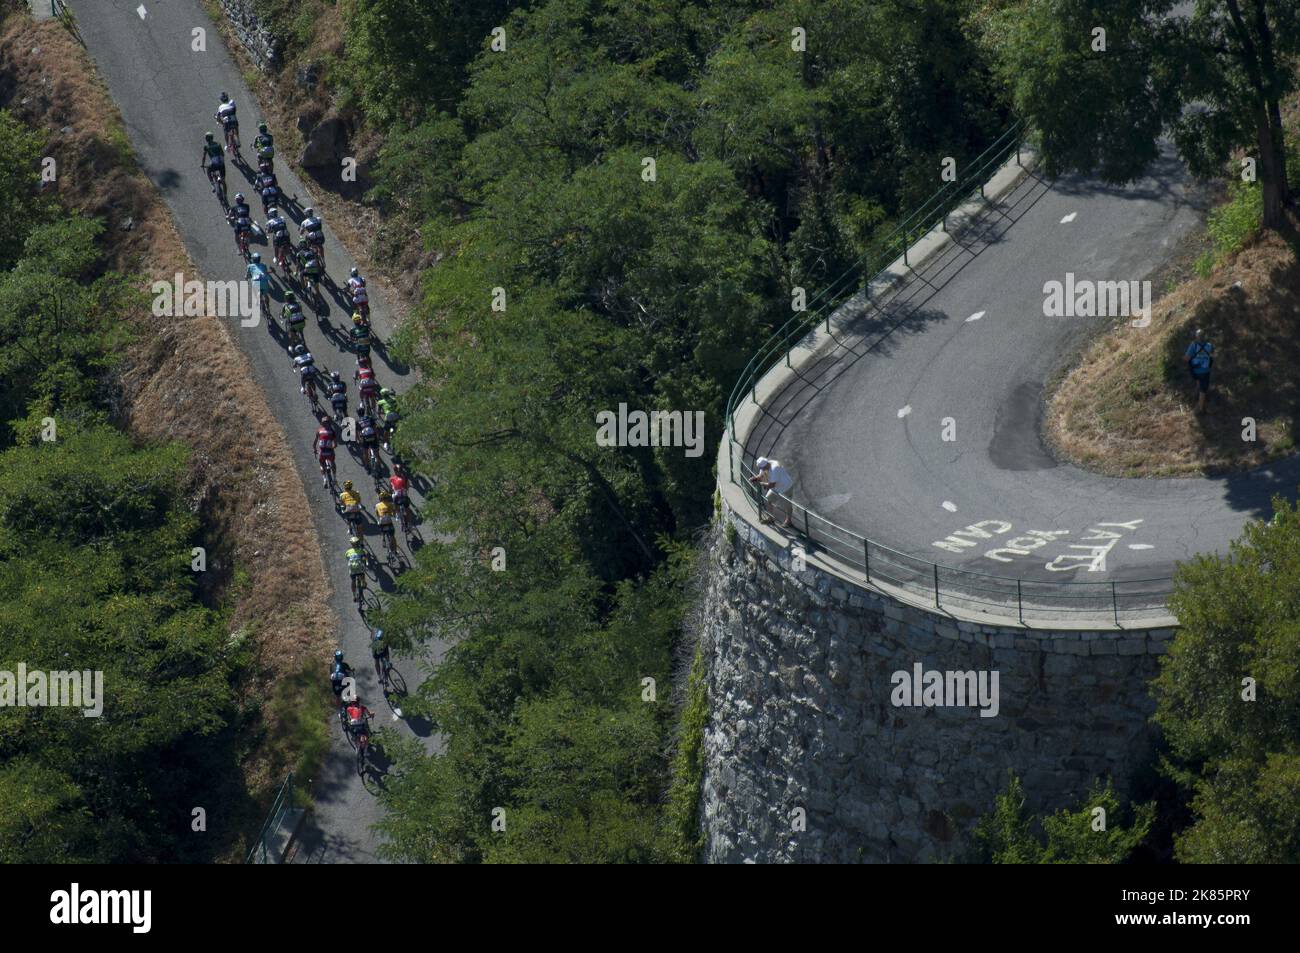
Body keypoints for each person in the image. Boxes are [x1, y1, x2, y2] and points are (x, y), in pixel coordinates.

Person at [749, 456, 794, 527]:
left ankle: (788, 521)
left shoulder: (775, 468)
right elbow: (760, 476)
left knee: (787, 505)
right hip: (776, 488)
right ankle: (771, 518)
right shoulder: (764, 466)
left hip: (785, 487)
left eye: (762, 468)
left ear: (765, 465)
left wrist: (760, 483)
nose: (761, 469)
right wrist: (755, 478)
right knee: (769, 498)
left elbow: (771, 485)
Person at [1185, 328, 1214, 414]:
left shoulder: (1193, 345)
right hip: (1205, 371)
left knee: (1200, 384)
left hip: (1195, 371)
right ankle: (1200, 407)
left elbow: (1187, 358)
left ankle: (1197, 403)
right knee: (1203, 389)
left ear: (1196, 337)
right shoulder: (1209, 345)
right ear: (1205, 337)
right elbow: (1212, 356)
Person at [345, 535, 367, 601]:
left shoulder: (348, 552)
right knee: (362, 574)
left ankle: (354, 595)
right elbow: (364, 559)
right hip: (359, 568)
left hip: (352, 569)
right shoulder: (361, 551)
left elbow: (347, 558)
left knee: (353, 581)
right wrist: (365, 565)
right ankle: (363, 583)